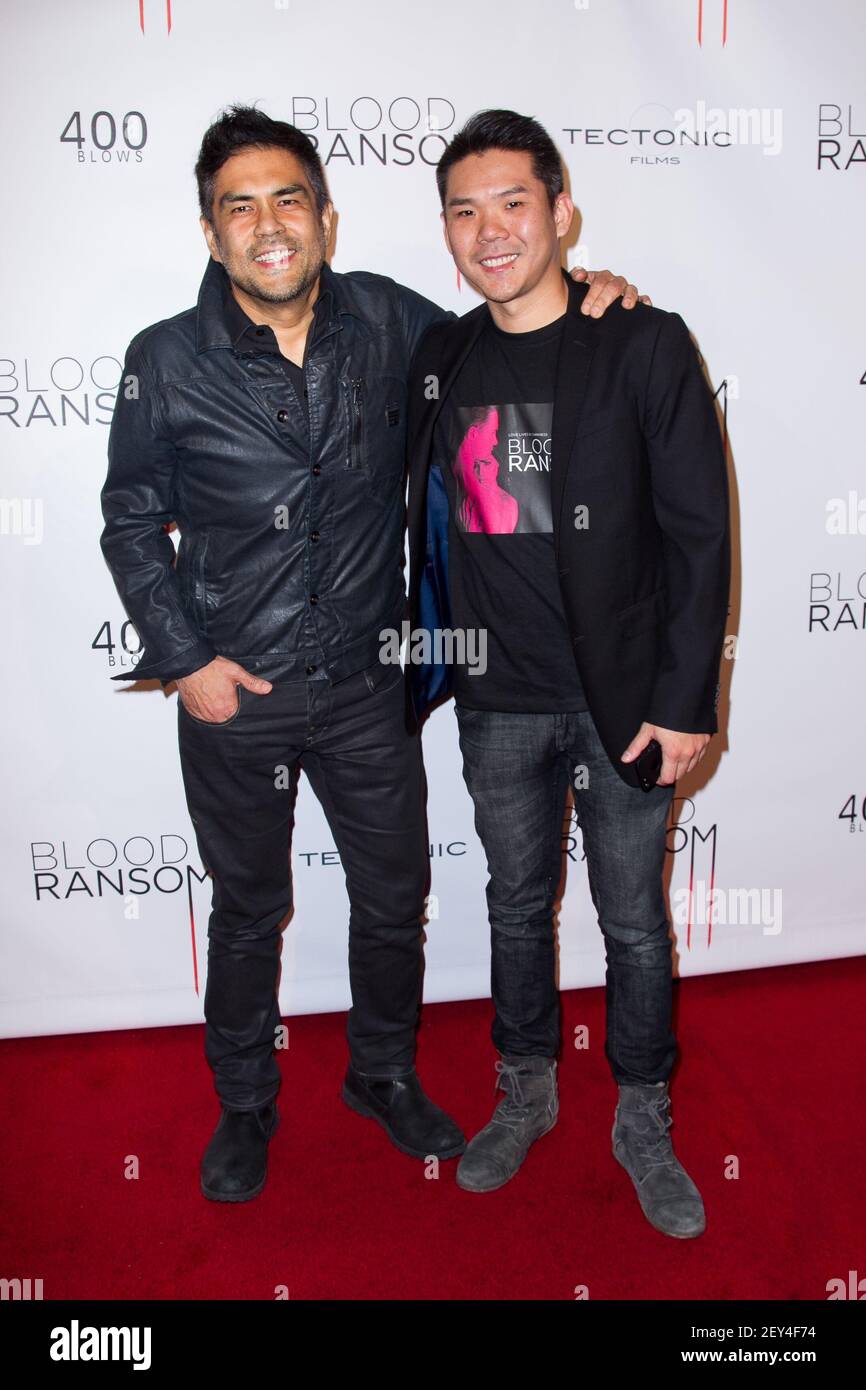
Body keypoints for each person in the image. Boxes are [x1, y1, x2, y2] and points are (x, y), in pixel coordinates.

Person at [100, 102, 645, 1204]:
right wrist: (185, 658)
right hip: (233, 692)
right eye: (237, 206)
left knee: (393, 899)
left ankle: (381, 1072)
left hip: (365, 684)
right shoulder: (164, 358)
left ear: (325, 219)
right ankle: (247, 1099)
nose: (266, 224)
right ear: (211, 233)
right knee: (249, 909)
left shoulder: (395, 327)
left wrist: (597, 304)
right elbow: (128, 520)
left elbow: (511, 337)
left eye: (286, 199)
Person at [406, 110, 730, 1238]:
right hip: (495, 699)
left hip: (625, 703)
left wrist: (685, 701)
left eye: (511, 203)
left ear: (559, 213)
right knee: (509, 907)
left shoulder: (638, 340)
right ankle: (526, 1090)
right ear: (444, 231)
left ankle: (641, 1113)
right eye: (463, 209)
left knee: (632, 921)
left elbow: (698, 532)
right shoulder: (439, 356)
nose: (489, 230)